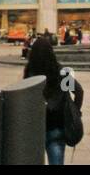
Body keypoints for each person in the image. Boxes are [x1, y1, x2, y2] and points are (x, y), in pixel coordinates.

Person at [23, 36, 84, 165]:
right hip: (56, 126)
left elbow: (25, 96)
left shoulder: (31, 72)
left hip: (36, 126)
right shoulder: (60, 72)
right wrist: (75, 111)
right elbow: (79, 91)